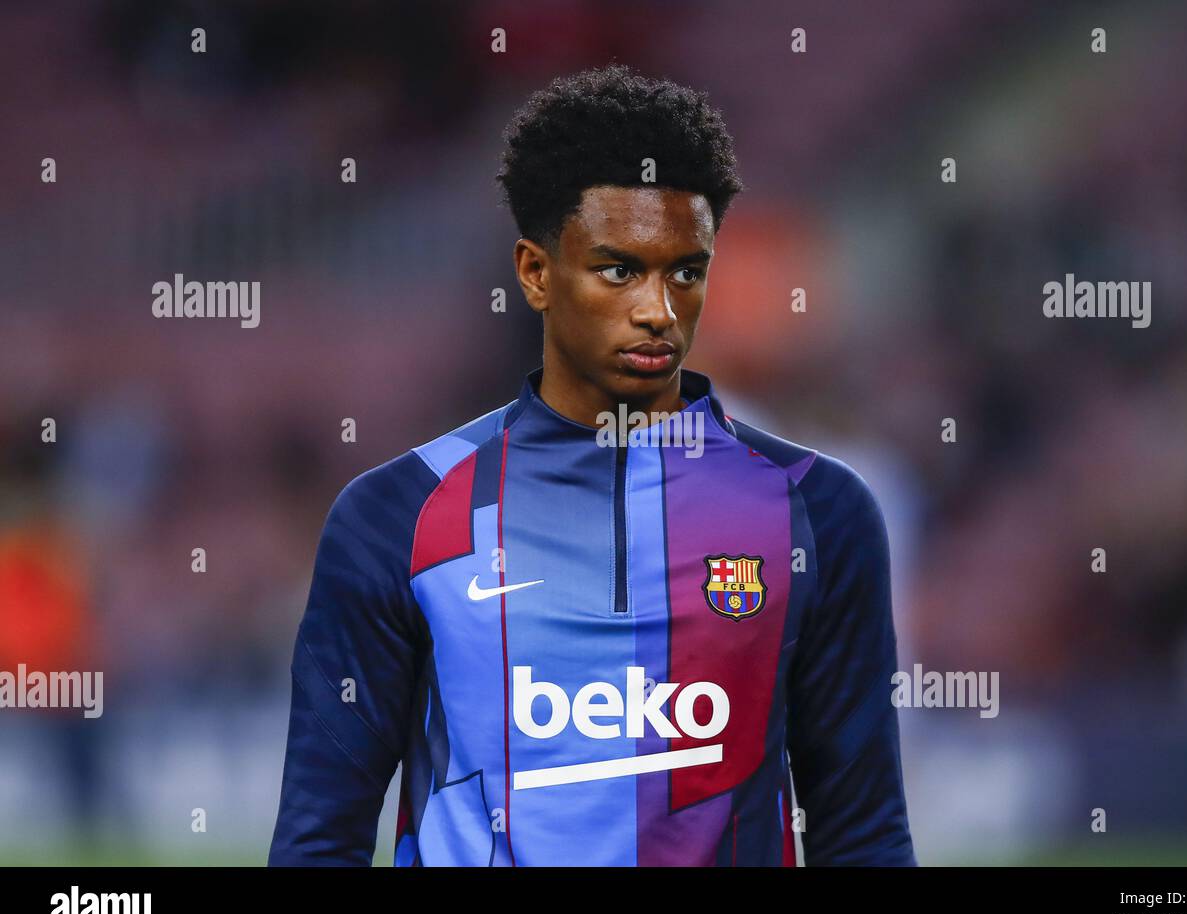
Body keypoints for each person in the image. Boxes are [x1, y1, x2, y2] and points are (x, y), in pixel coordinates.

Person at [269, 63, 915, 866]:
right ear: (536, 274)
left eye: (686, 270)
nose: (658, 309)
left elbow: (863, 834)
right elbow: (318, 836)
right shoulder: (398, 515)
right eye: (619, 270)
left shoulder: (818, 509)